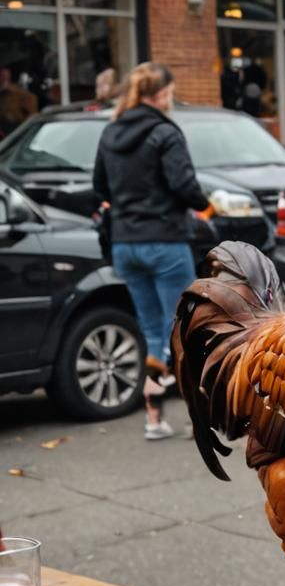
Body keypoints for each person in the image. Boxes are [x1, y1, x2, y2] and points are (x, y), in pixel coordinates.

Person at [92, 62, 209, 440]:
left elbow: (101, 187)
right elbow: (184, 185)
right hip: (166, 241)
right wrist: (205, 202)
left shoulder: (110, 132)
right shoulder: (164, 132)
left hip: (126, 244)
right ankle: (197, 418)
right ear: (160, 94)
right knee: (185, 329)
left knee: (152, 328)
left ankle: (153, 417)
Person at [0, 64, 37, 135]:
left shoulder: (19, 93)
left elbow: (32, 114)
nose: (3, 76)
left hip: (17, 130)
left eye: (3, 73)